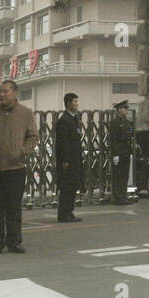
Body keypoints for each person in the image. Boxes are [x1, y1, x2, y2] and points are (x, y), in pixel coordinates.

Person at [0, 80, 38, 255]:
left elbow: (33, 136)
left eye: (6, 91)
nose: (1, 94)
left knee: (13, 207)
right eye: (0, 91)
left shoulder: (25, 114)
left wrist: (23, 152)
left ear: (15, 93)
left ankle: (14, 242)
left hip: (16, 168)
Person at [54, 93, 84, 222]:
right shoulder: (64, 120)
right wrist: (65, 160)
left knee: (72, 187)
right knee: (66, 187)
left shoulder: (73, 119)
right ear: (68, 104)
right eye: (75, 101)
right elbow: (63, 142)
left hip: (75, 158)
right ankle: (63, 214)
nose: (77, 104)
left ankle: (69, 212)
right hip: (68, 160)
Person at [108, 100, 137, 205]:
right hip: (119, 152)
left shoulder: (126, 122)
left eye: (126, 108)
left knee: (125, 175)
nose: (126, 110)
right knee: (118, 175)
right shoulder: (115, 123)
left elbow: (131, 135)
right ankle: (118, 198)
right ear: (119, 109)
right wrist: (115, 154)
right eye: (124, 108)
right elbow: (113, 139)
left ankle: (123, 197)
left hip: (126, 151)